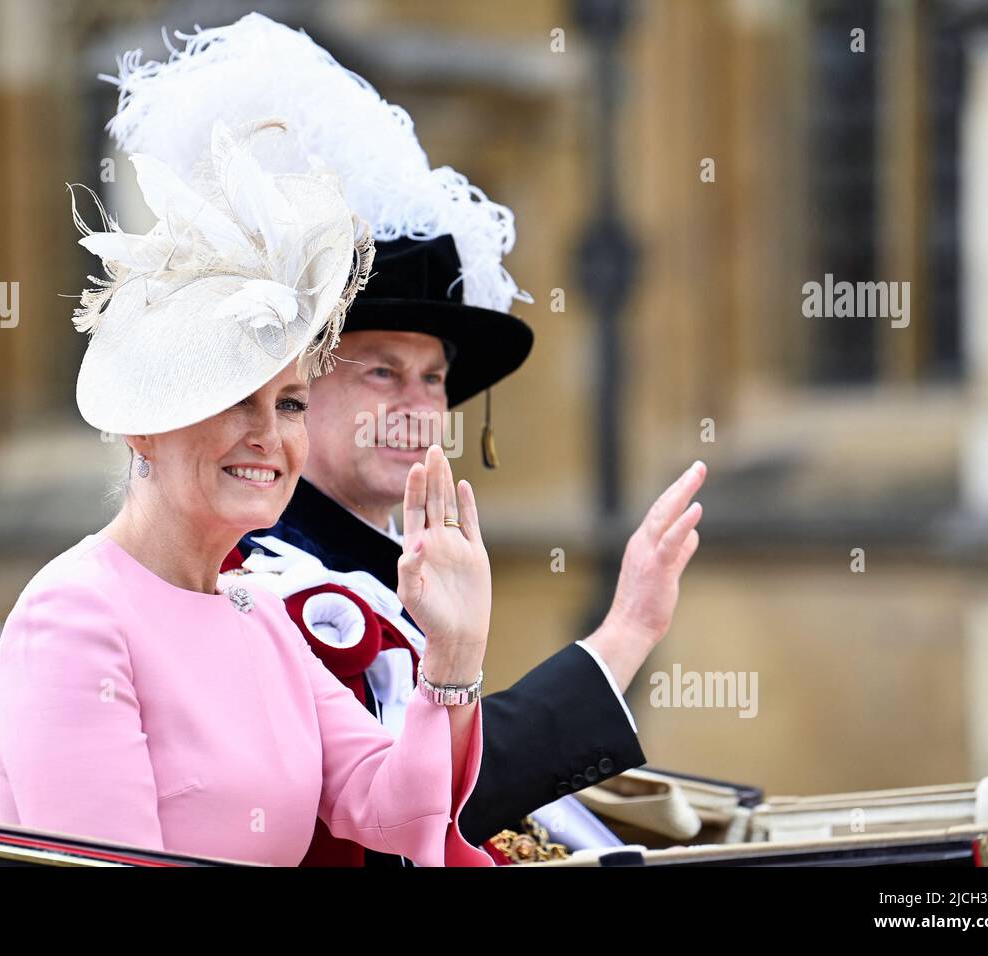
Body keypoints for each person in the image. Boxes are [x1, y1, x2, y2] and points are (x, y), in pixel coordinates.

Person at [104, 13, 705, 865]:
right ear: (297, 390)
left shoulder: (377, 570)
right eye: (381, 372)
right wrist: (626, 632)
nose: (417, 408)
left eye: (434, 379)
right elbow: (414, 809)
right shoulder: (265, 576)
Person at [0, 117, 495, 867]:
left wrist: (453, 652)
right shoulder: (75, 617)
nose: (268, 436)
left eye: (289, 403)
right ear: (142, 426)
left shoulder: (254, 610)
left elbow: (389, 810)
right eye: (233, 400)